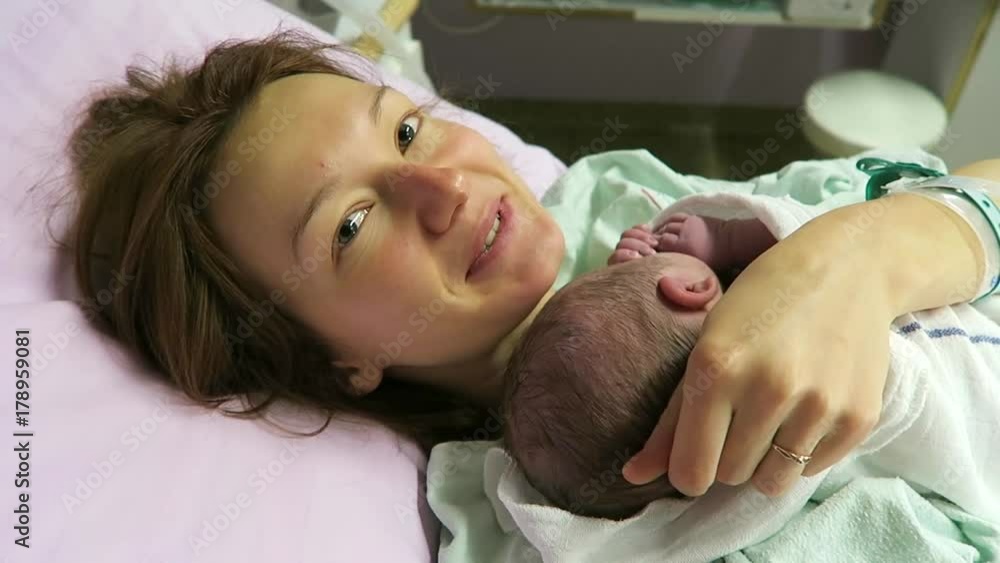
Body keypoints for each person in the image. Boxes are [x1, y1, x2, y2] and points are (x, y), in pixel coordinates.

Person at [61, 30, 997, 501]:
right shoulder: (508, 512)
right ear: (333, 363)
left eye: (408, 128)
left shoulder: (634, 201)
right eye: (349, 226)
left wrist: (858, 253)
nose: (442, 188)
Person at [503, 199, 1000, 522]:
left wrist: (631, 277)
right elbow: (820, 236)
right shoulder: (783, 281)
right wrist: (727, 238)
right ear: (692, 289)